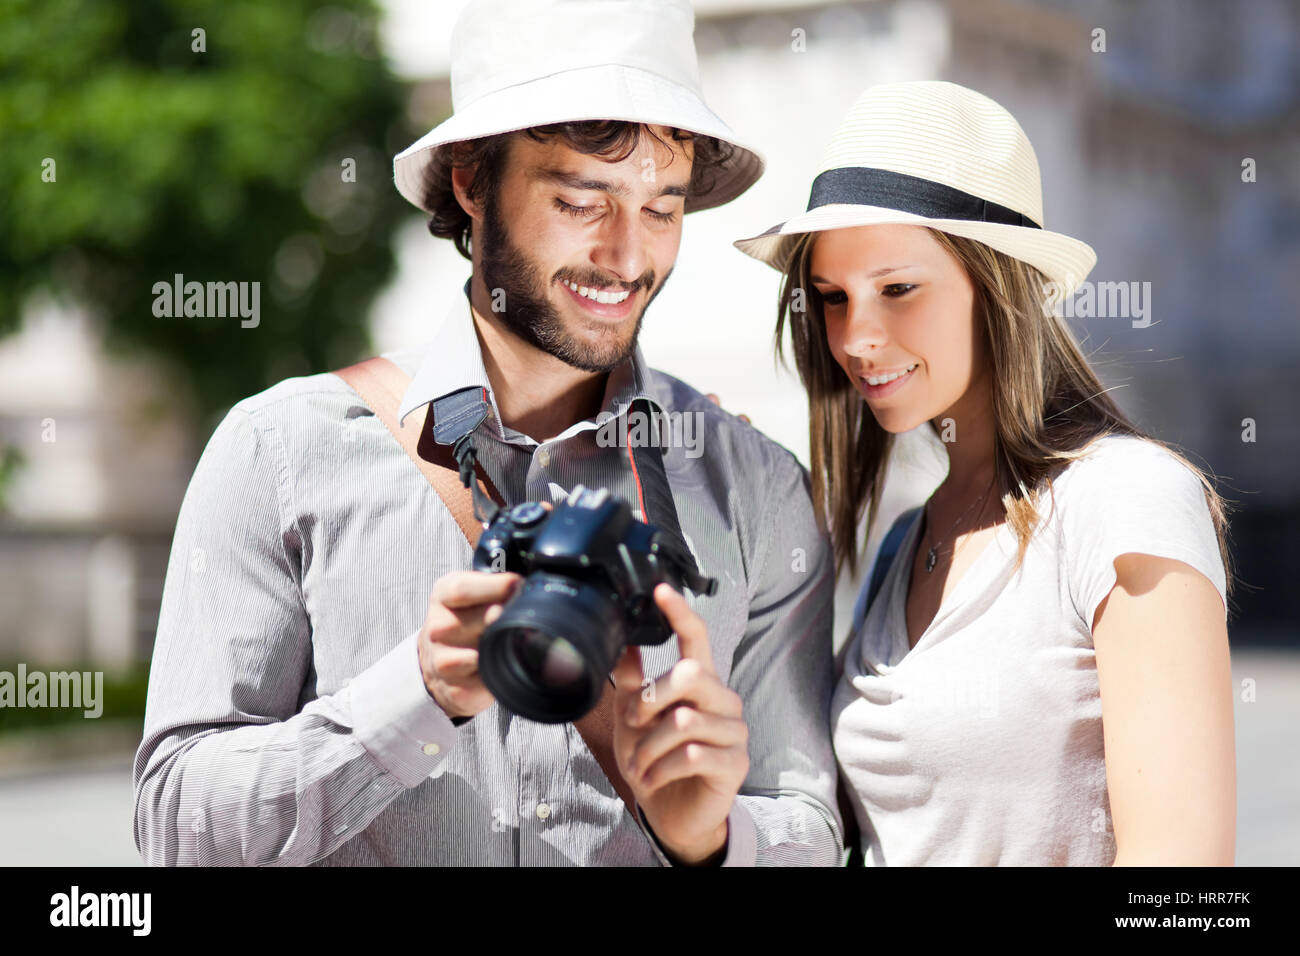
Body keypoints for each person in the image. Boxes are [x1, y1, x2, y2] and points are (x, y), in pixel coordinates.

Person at [133, 0, 843, 866]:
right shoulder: (277, 452)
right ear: (471, 180)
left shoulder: (757, 490)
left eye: (662, 208)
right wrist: (415, 694)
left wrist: (714, 836)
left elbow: (807, 825)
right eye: (584, 199)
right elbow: (176, 825)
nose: (629, 258)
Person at [733, 80, 1236, 866]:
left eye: (898, 289)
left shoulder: (1129, 499)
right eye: (832, 297)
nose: (857, 337)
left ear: (997, 285)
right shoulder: (902, 544)